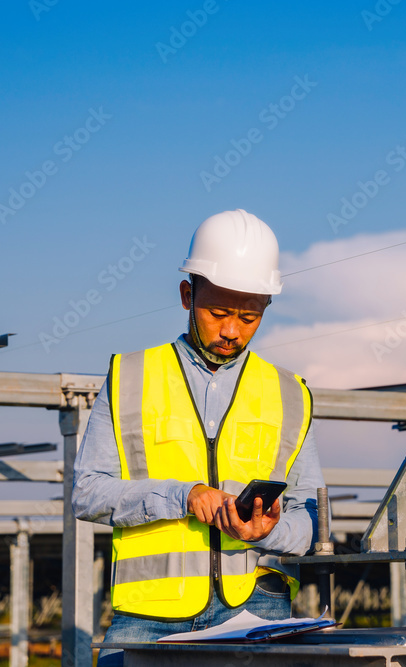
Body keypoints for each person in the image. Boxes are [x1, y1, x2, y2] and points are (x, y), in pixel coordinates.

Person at [72, 209, 324, 666]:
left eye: (249, 317)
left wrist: (267, 532)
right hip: (149, 617)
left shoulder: (292, 394)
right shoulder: (129, 377)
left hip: (259, 610)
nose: (232, 331)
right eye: (220, 312)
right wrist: (182, 496)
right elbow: (87, 493)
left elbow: (311, 515)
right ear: (187, 295)